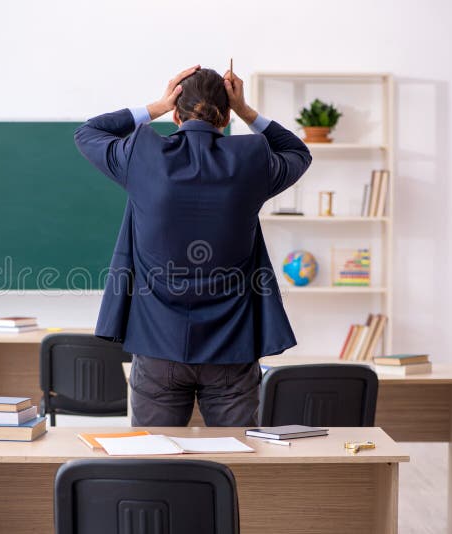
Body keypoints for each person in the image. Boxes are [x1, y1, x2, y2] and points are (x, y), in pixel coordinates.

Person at [74, 65, 312, 426]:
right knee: (236, 453)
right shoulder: (252, 158)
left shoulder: (142, 154)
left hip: (157, 346)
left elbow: (88, 132)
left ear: (176, 113)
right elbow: (297, 151)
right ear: (227, 117)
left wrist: (156, 106)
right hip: (232, 348)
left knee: (154, 456)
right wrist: (247, 111)